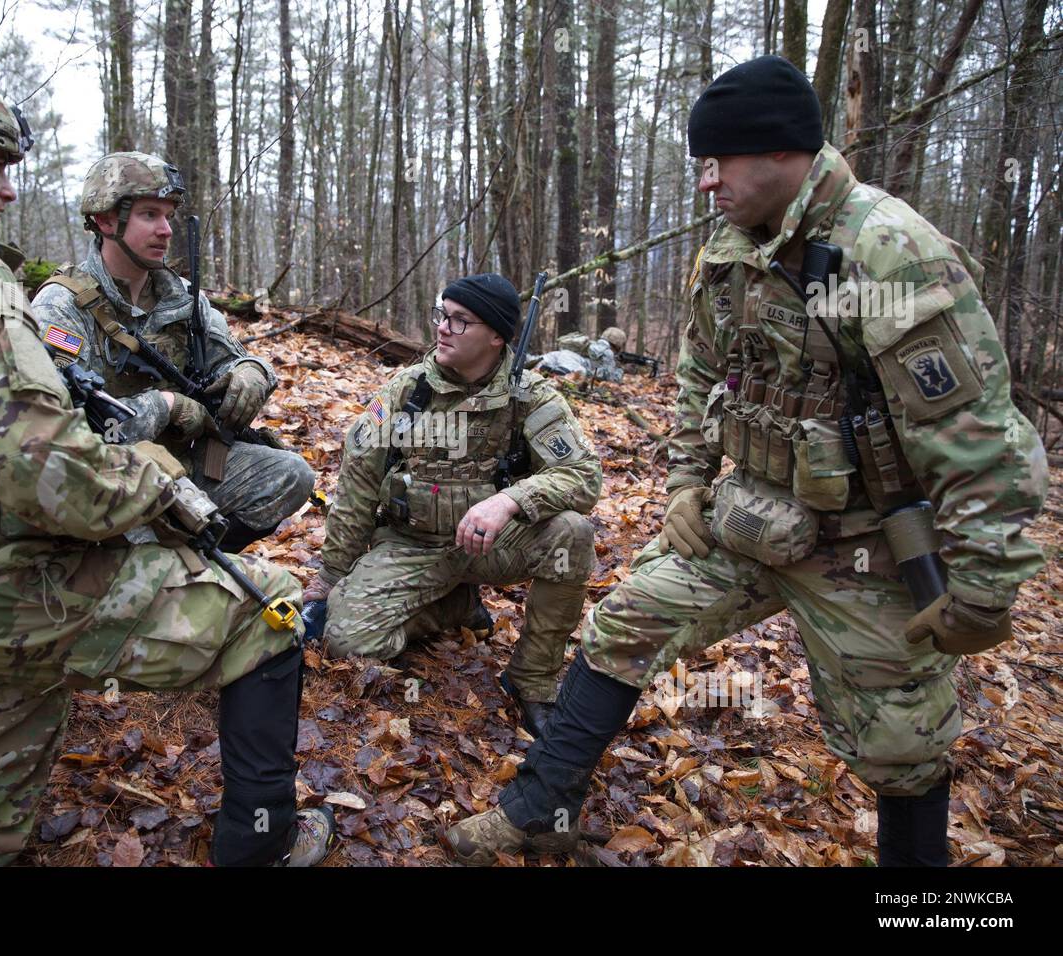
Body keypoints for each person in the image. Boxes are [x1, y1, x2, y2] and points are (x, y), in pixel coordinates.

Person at [447, 55, 1047, 866]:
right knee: (625, 623)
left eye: (715, 162)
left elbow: (973, 432)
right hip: (750, 514)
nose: (706, 184)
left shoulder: (883, 251)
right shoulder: (730, 252)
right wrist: (687, 485)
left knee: (901, 746)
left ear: (779, 152)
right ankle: (537, 810)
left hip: (867, 546)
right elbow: (699, 376)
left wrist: (982, 584)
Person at [0, 66, 333, 866]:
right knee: (273, 611)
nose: (7, 191)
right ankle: (263, 845)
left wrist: (205, 407)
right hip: (1, 580)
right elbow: (43, 468)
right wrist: (153, 478)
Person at [302, 274, 603, 735]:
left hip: (494, 545)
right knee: (347, 641)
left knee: (573, 533)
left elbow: (584, 476)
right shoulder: (407, 392)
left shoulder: (531, 398)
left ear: (497, 336)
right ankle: (452, 606)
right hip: (411, 544)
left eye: (461, 321)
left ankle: (532, 680)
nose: (443, 328)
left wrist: (510, 499)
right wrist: (330, 579)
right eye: (442, 314)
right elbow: (358, 482)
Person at [30, 151, 314, 552]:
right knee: (140, 550)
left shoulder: (180, 296)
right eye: (149, 214)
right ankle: (161, 565)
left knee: (290, 474)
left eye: (169, 216)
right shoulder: (61, 307)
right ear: (106, 220)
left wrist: (249, 373)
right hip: (107, 480)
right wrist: (164, 405)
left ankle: (199, 555)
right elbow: (61, 435)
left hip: (180, 465)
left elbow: (238, 358)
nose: (165, 230)